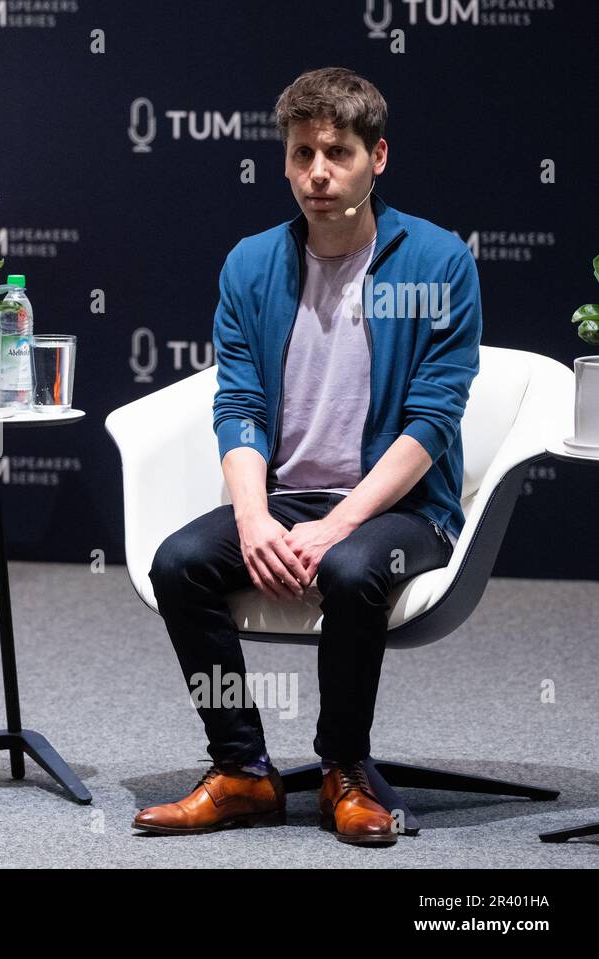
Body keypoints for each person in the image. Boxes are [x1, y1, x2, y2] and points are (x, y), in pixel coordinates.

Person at [133, 67, 481, 846]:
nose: (318, 173)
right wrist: (254, 516)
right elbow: (241, 406)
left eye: (338, 152)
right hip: (288, 496)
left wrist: (339, 526)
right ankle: (242, 771)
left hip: (401, 510)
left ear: (377, 156)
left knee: (355, 568)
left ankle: (343, 771)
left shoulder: (435, 263)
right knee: (179, 562)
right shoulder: (252, 265)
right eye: (301, 155)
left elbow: (432, 422)